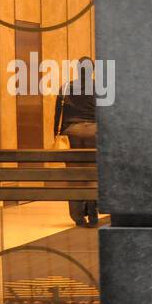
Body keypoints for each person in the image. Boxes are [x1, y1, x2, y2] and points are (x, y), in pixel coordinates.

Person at [55, 56, 99, 227]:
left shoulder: (66, 86)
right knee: (91, 174)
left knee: (74, 175)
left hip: (72, 131)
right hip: (93, 132)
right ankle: (93, 214)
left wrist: (56, 134)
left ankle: (78, 217)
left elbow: (58, 113)